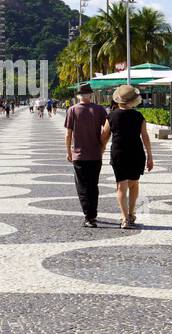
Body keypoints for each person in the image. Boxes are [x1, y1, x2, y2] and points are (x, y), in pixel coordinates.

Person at [101, 84, 153, 229]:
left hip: (119, 153)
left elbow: (104, 136)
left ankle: (124, 218)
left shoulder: (111, 116)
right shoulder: (139, 116)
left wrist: (100, 150)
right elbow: (145, 137)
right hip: (136, 152)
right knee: (134, 184)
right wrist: (150, 156)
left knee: (121, 186)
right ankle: (131, 213)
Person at [64, 84, 107, 228]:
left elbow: (68, 134)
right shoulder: (100, 110)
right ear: (91, 95)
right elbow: (107, 130)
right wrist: (103, 145)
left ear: (78, 96)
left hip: (79, 155)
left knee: (82, 186)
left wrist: (68, 151)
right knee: (93, 185)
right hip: (96, 154)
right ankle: (93, 215)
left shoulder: (72, 110)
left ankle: (88, 217)